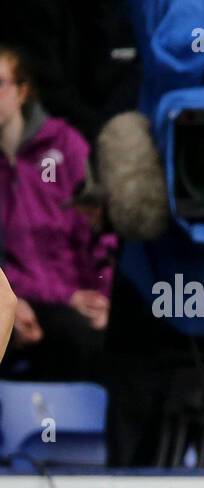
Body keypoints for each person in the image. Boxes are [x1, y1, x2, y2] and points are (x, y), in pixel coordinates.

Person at [0, 45, 114, 381]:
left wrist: (105, 298)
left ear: (22, 91)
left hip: (75, 300)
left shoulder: (65, 145)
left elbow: (99, 230)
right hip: (23, 299)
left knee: (102, 342)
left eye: (0, 84)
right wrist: (16, 304)